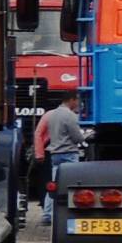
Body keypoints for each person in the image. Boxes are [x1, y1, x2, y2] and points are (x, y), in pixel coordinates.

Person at [38, 93, 87, 224]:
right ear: (71, 100)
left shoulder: (52, 114)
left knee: (54, 185)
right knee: (74, 184)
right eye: (77, 100)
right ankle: (73, 213)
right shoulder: (70, 115)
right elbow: (77, 137)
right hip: (69, 153)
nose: (77, 104)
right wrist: (85, 136)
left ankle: (47, 215)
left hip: (55, 154)